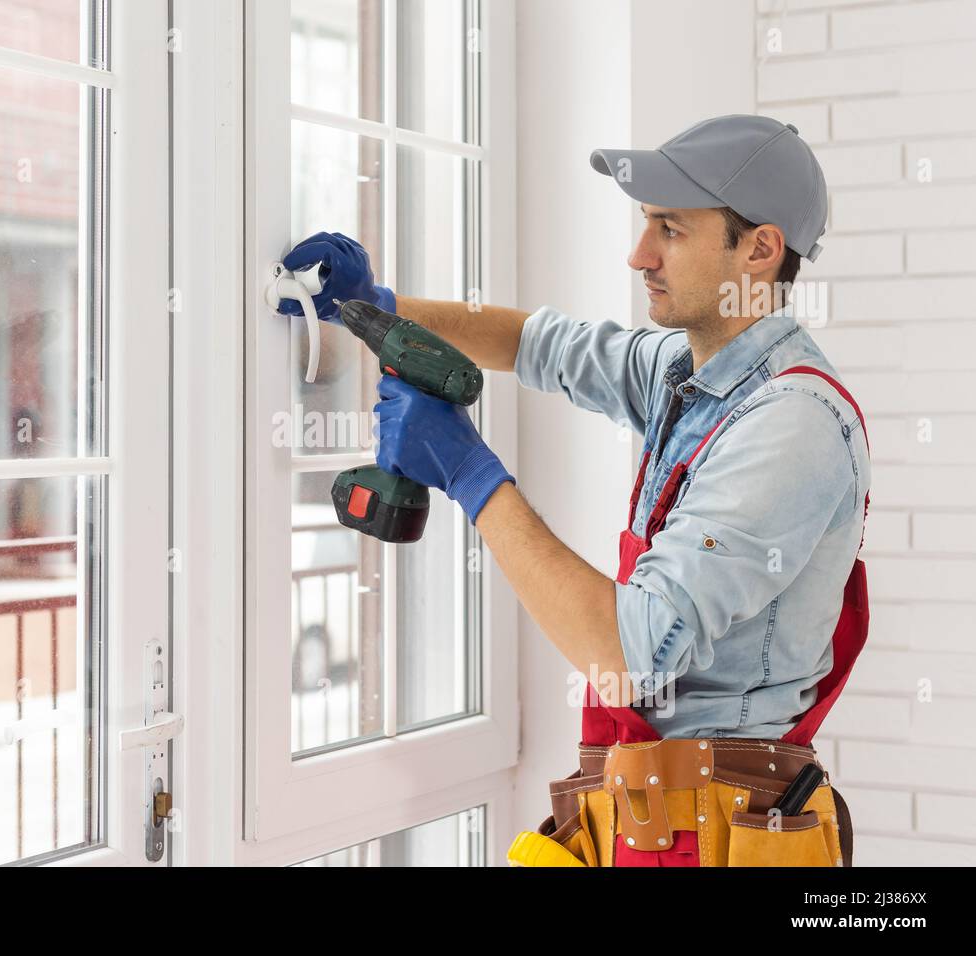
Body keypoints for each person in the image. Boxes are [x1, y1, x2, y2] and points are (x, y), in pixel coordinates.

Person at [277, 114, 869, 867]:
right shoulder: (688, 374)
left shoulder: (791, 425)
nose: (639, 254)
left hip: (724, 833)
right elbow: (534, 343)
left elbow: (627, 653)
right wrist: (374, 308)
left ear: (759, 249)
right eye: (645, 223)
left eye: (672, 230)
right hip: (653, 818)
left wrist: (468, 470)